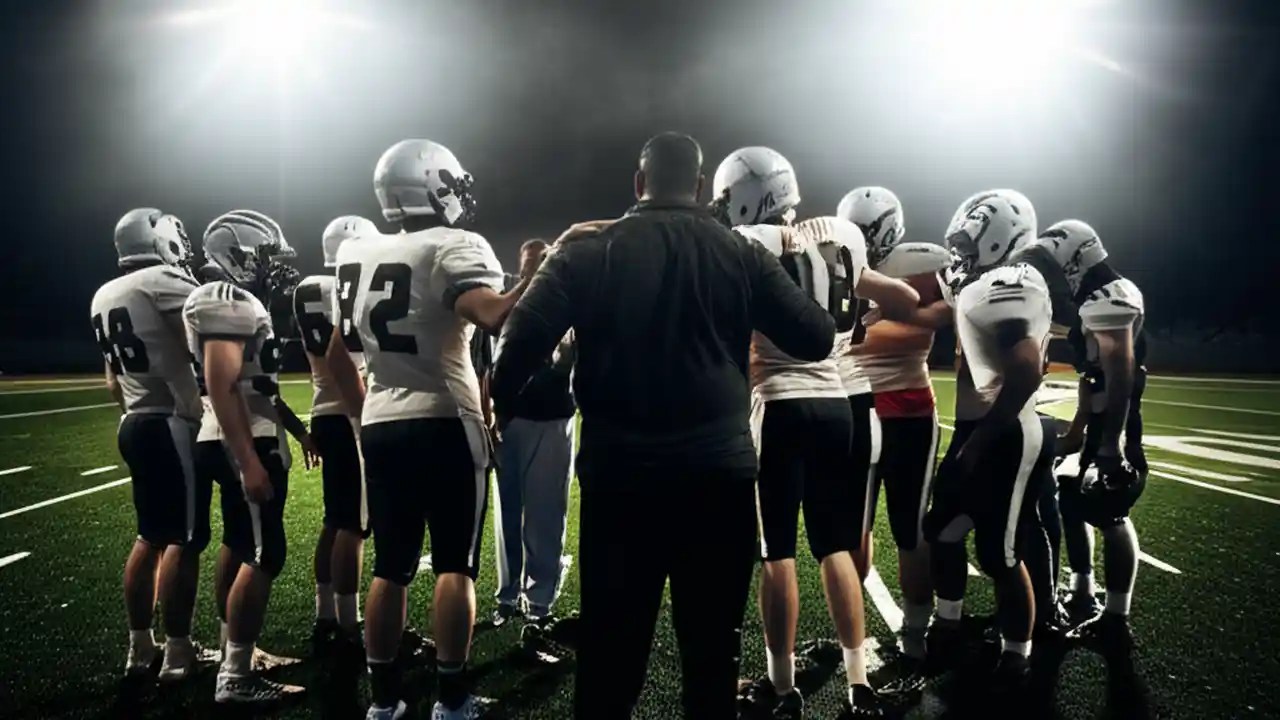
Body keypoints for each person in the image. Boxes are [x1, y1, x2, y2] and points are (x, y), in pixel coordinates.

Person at [492, 132, 838, 720]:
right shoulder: (741, 252)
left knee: (610, 660)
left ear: (638, 184)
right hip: (718, 477)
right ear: (702, 188)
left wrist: (506, 401)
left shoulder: (588, 251)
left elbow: (516, 350)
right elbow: (817, 336)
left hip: (620, 479)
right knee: (710, 659)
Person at [325, 139, 533, 720]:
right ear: (433, 185)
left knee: (389, 566)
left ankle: (384, 700)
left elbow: (341, 348)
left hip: (383, 420)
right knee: (454, 565)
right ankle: (451, 696)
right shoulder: (454, 244)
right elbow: (493, 313)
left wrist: (365, 403)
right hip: (445, 416)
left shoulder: (354, 252)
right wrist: (536, 276)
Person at [712, 149, 919, 720]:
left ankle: (782, 687)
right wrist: (854, 327)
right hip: (836, 407)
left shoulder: (744, 245)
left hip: (777, 404)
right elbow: (902, 298)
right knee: (834, 544)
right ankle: (858, 684)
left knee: (776, 551)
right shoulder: (842, 236)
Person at [185, 209, 313, 704]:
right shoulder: (227, 297)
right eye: (265, 256)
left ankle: (234, 649)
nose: (274, 267)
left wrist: (298, 432)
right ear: (236, 256)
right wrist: (250, 461)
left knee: (239, 545)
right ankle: (236, 675)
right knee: (266, 553)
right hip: (242, 439)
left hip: (235, 433)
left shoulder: (235, 300)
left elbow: (257, 386)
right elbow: (221, 383)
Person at [90, 208, 218, 682]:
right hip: (170, 423)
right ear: (160, 239)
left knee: (149, 536)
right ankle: (180, 653)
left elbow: (111, 384)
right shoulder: (162, 281)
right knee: (184, 540)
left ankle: (140, 648)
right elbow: (218, 312)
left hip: (132, 421)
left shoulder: (104, 294)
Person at [1016, 220, 1148, 646]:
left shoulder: (1110, 298)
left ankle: (1117, 618)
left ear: (1077, 259)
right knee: (1072, 502)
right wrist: (1078, 429)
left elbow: (1120, 371)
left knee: (1111, 514)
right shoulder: (1097, 298)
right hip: (1098, 420)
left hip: (1116, 425)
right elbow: (1094, 377)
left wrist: (1110, 444)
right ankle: (1084, 594)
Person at [837, 186, 953, 669]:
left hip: (908, 412)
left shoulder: (924, 265)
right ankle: (855, 638)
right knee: (852, 531)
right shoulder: (838, 261)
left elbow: (953, 312)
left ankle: (915, 630)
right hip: (855, 408)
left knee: (911, 527)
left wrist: (896, 312)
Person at [293, 215, 379, 651]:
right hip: (350, 410)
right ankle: (349, 621)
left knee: (335, 518)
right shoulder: (346, 288)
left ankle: (325, 611)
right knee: (355, 525)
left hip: (322, 407)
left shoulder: (307, 288)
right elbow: (346, 353)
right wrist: (366, 420)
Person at [491, 239, 577, 630]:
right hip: (509, 417)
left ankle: (539, 601)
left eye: (540, 264)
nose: (532, 272)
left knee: (546, 514)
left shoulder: (565, 297)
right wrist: (487, 410)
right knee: (507, 513)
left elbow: (571, 357)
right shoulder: (505, 300)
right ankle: (508, 594)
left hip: (553, 416)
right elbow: (483, 361)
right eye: (528, 265)